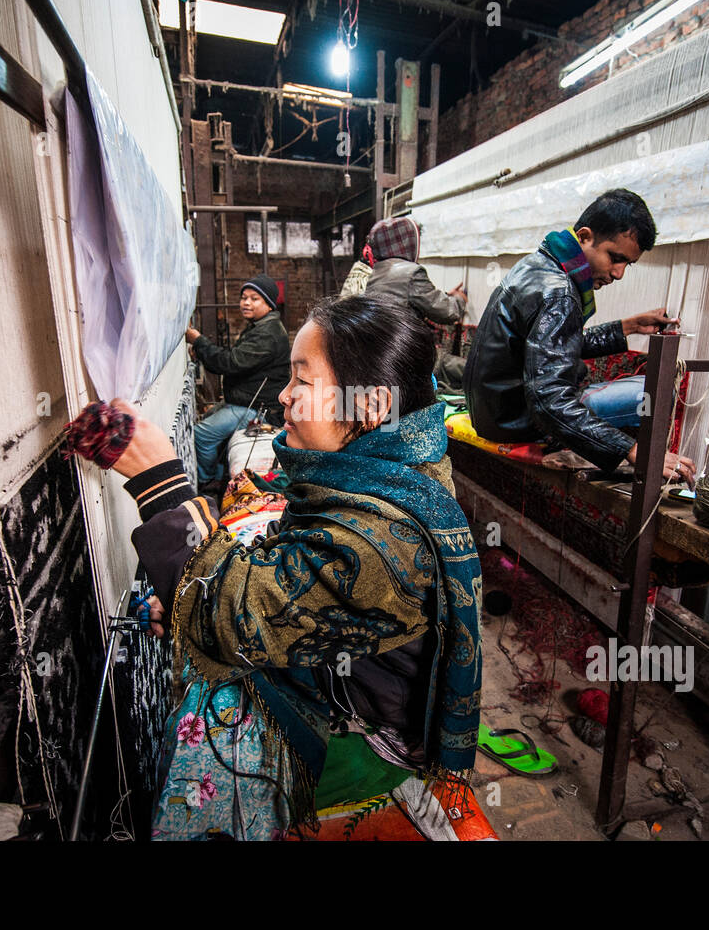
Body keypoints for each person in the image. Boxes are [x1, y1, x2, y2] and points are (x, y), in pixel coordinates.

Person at [110, 296, 482, 840]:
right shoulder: (386, 467)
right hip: (348, 677)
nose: (283, 396)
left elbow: (228, 618)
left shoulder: (379, 541)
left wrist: (161, 485)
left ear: (371, 407)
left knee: (209, 710)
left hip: (362, 732)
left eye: (301, 382)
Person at [464, 188, 695, 482]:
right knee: (648, 391)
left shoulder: (535, 265)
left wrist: (628, 327)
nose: (619, 273)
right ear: (585, 236)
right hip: (520, 422)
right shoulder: (560, 293)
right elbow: (548, 400)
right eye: (615, 257)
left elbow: (550, 347)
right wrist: (633, 450)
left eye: (628, 264)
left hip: (491, 414)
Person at [185, 274, 290, 487]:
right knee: (211, 417)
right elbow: (236, 359)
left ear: (269, 305)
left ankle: (208, 482)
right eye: (244, 297)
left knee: (201, 435)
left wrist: (198, 342)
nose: (246, 303)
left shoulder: (267, 333)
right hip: (245, 400)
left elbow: (231, 363)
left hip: (257, 408)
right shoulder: (260, 327)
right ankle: (221, 473)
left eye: (254, 298)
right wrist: (202, 350)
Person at [344, 216, 468, 388]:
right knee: (470, 369)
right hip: (404, 357)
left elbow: (408, 298)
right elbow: (448, 312)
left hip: (382, 355)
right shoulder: (411, 272)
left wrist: (446, 294)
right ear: (408, 243)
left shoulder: (376, 272)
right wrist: (460, 299)